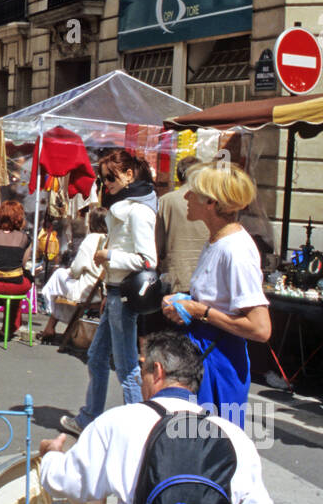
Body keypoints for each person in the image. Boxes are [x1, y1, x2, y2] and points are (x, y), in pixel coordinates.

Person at [39, 331, 279, 504]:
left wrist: (51, 455)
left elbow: (64, 482)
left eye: (142, 372)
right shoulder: (233, 436)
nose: (141, 382)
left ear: (157, 370)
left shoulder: (119, 421)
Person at [161, 162, 270, 430]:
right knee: (195, 439)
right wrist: (184, 302)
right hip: (203, 353)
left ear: (211, 202)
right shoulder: (217, 241)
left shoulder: (234, 250)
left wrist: (201, 311)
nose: (185, 196)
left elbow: (260, 328)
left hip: (219, 360)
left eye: (193, 192)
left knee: (213, 442)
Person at [60, 150, 157, 436]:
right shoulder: (132, 205)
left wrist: (109, 256)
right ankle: (90, 417)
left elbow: (148, 260)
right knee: (98, 356)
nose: (107, 183)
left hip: (123, 294)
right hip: (116, 293)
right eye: (104, 179)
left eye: (111, 177)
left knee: (126, 366)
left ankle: (138, 432)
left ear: (129, 175)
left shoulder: (138, 210)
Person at [38, 206, 107, 343]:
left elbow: (76, 269)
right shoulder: (109, 239)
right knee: (60, 282)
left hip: (87, 290)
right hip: (100, 291)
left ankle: (50, 325)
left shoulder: (91, 239)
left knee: (58, 277)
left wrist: (71, 272)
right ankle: (51, 327)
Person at [155, 155, 208, 293]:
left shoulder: (166, 201)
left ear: (179, 176)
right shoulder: (211, 200)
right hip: (206, 276)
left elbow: (158, 245)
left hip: (177, 276)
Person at [0, 200, 35, 332]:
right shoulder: (25, 238)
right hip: (15, 287)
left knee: (3, 282)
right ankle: (10, 327)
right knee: (22, 280)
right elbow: (22, 264)